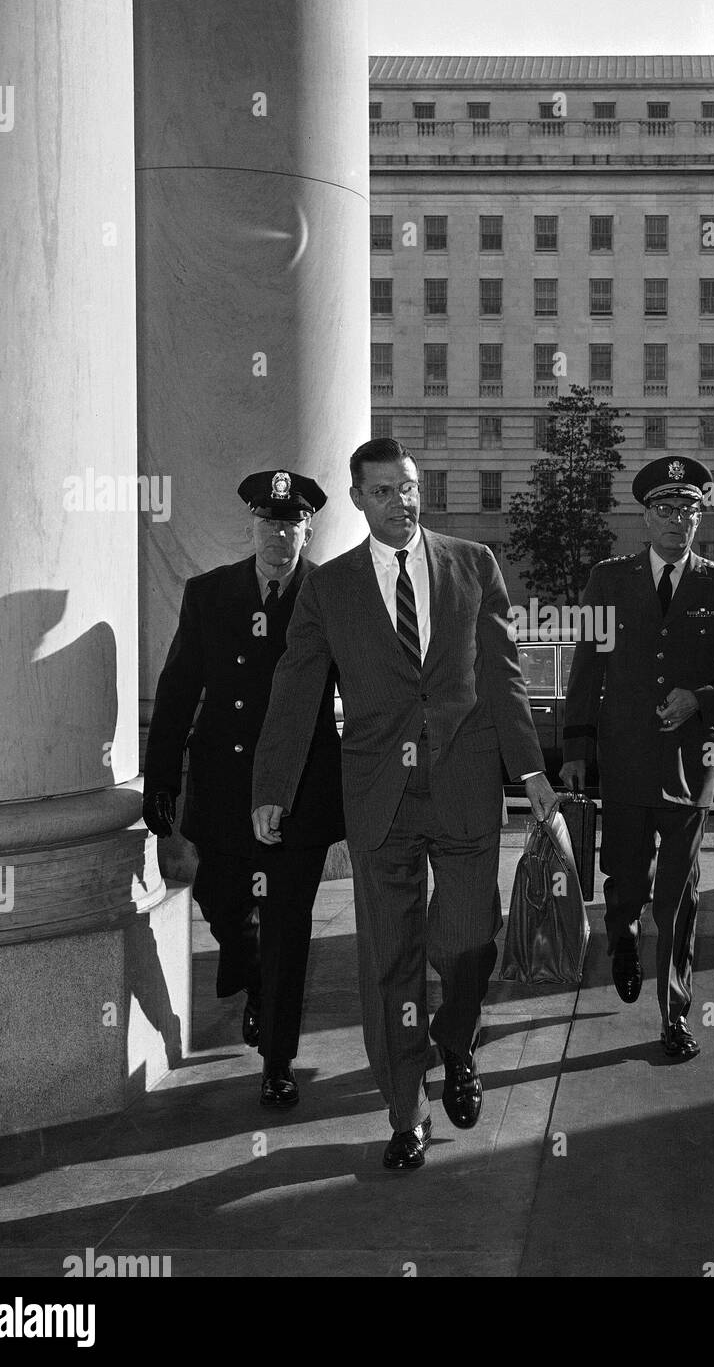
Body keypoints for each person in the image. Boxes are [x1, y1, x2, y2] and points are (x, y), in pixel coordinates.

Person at [252, 438, 556, 1172]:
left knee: (467, 941)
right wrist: (272, 787)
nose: (401, 502)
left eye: (410, 488)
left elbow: (505, 677)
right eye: (383, 491)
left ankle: (457, 1040)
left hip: (465, 785)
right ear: (357, 500)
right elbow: (296, 689)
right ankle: (405, 1110)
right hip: (379, 796)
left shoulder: (473, 565)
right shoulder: (329, 590)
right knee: (389, 959)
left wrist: (533, 773)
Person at [142, 470, 345, 1108]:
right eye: (269, 521)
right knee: (226, 904)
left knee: (287, 923)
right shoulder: (210, 594)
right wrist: (161, 778)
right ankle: (253, 977)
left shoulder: (331, 595)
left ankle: (278, 1058)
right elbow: (178, 690)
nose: (280, 533)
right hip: (226, 785)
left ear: (308, 528)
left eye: (292, 523)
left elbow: (362, 694)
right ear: (251, 526)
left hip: (299, 792)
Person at [561, 456, 714, 1060]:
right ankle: (622, 937)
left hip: (690, 766)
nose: (679, 522)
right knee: (626, 883)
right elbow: (588, 667)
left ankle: (674, 1011)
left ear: (701, 518)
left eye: (689, 511)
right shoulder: (608, 579)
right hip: (624, 761)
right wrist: (576, 749)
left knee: (680, 894)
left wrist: (703, 698)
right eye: (666, 511)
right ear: (644, 518)